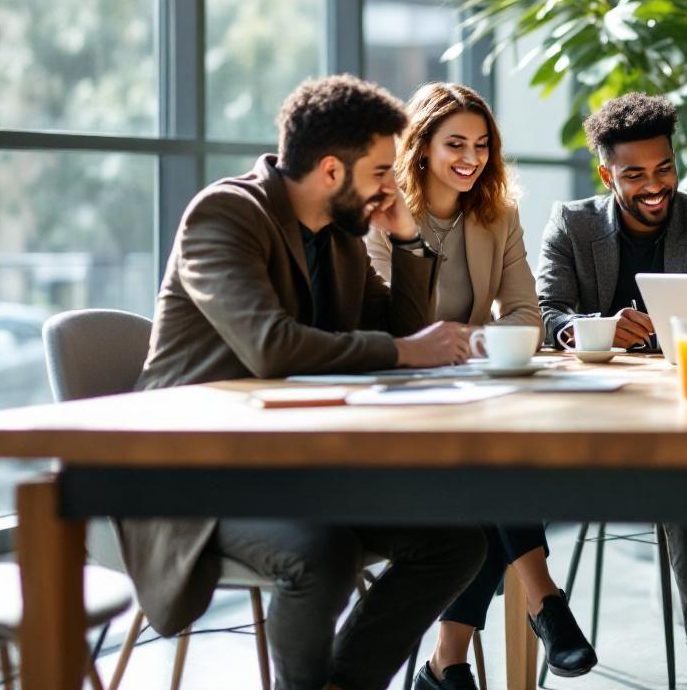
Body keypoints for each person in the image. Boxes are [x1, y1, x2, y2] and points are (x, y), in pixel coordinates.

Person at [124, 75, 487, 690]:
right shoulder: (225, 214)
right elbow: (271, 347)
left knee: (456, 542)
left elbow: (399, 333)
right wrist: (405, 350)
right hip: (195, 470)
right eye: (380, 172)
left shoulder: (340, 233)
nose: (391, 186)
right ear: (330, 170)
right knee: (322, 554)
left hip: (290, 463)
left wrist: (405, 238)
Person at [365, 83, 595, 690]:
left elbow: (527, 316)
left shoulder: (497, 215)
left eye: (482, 144)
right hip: (401, 415)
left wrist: (461, 341)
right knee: (495, 473)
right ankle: (544, 601)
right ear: (421, 146)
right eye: (455, 144)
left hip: (471, 404)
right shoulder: (384, 215)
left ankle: (448, 665)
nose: (472, 157)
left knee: (491, 472)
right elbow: (392, 327)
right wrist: (478, 339)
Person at [536, 92, 687, 690]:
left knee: (682, 477)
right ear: (606, 175)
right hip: (594, 416)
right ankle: (539, 606)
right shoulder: (573, 223)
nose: (655, 186)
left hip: (680, 406)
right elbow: (544, 312)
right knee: (510, 478)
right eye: (634, 175)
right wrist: (593, 329)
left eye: (664, 168)